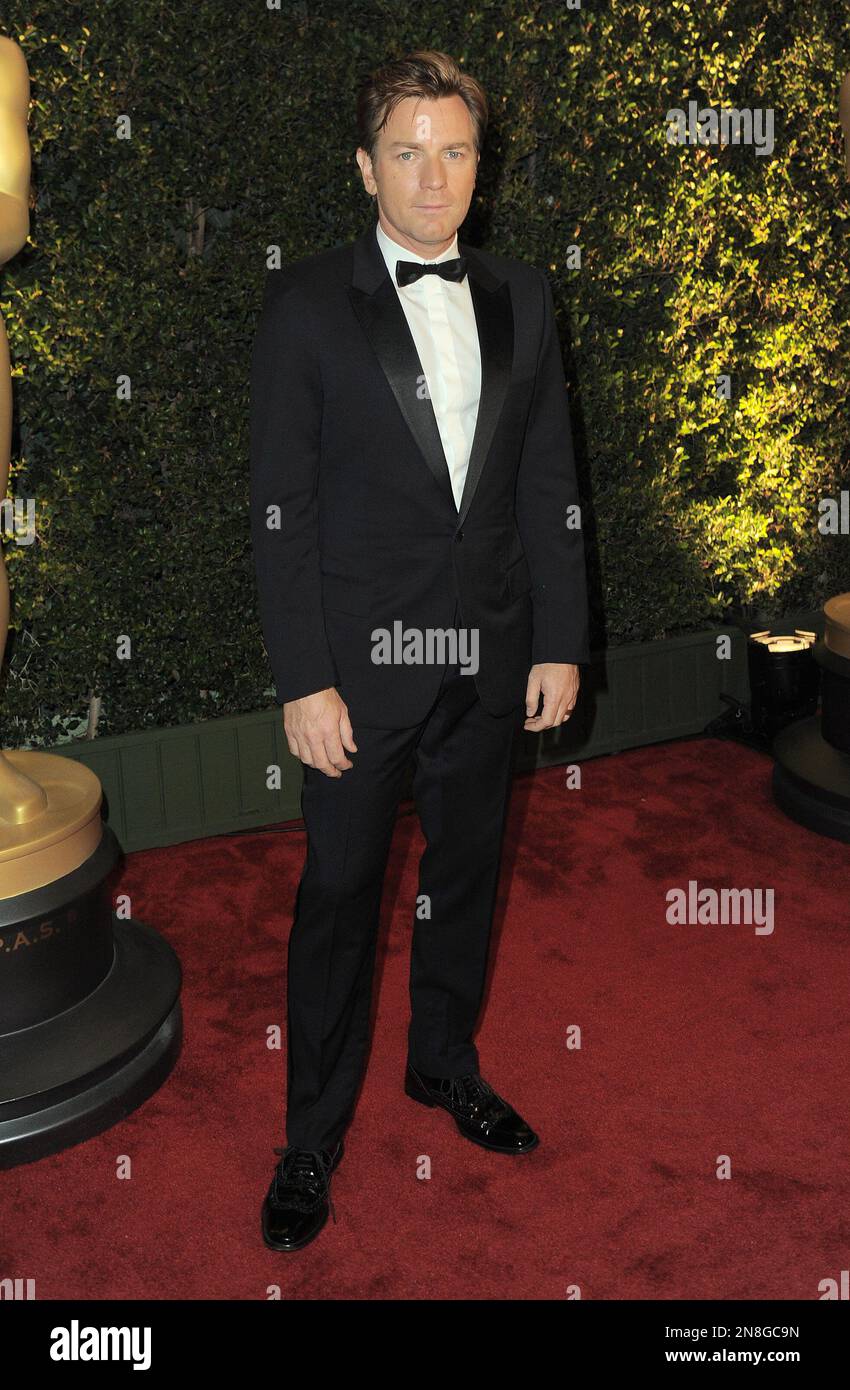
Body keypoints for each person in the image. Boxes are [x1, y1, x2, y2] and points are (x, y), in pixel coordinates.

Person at [249, 48, 589, 1251]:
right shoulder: (303, 307)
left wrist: (559, 639)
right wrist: (302, 676)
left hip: (490, 662)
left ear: (478, 166)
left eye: (454, 151)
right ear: (364, 167)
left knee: (465, 879)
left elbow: (549, 483)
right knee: (338, 901)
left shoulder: (527, 298)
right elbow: (280, 505)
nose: (432, 177)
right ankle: (309, 1139)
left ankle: (442, 1064)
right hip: (359, 670)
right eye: (407, 151)